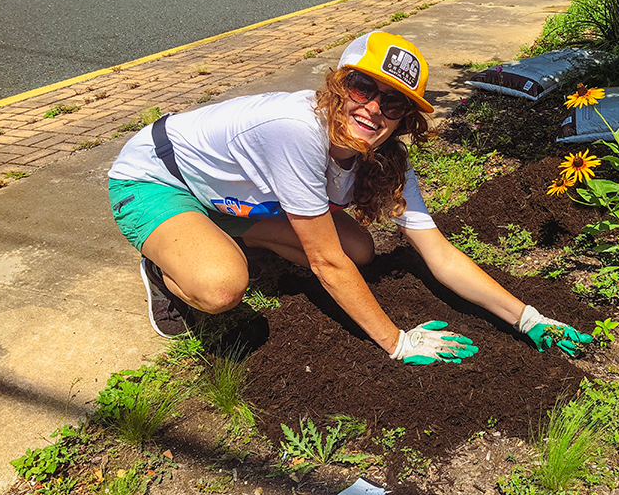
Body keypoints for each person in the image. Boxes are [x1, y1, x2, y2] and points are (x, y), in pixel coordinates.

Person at [107, 31, 592, 364]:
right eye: (363, 87)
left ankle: (214, 232)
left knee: (360, 249)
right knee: (220, 288)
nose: (373, 109)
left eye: (393, 102)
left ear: (405, 120)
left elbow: (439, 253)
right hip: (159, 178)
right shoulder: (296, 131)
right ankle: (166, 266)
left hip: (232, 196)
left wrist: (526, 317)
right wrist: (397, 342)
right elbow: (325, 263)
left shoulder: (387, 161)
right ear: (339, 86)